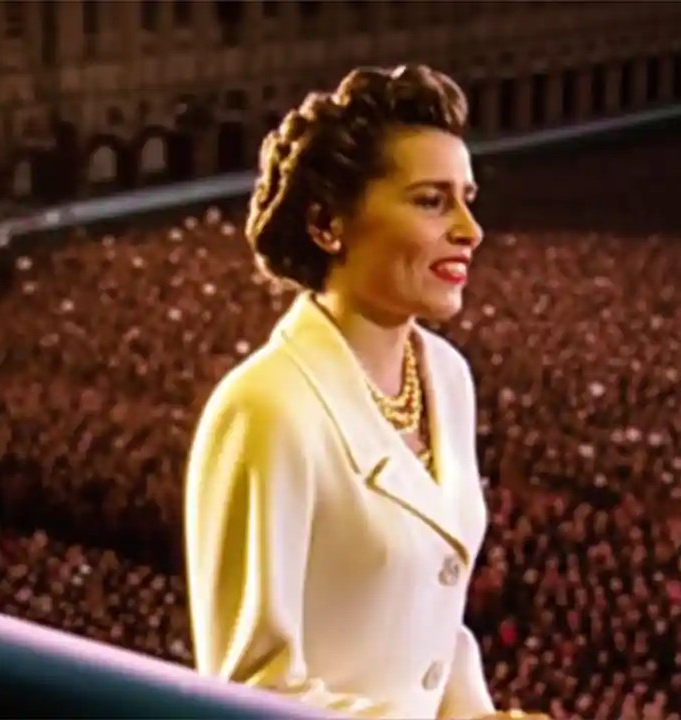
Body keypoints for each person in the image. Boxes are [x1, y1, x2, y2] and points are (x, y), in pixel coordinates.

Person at [184, 65, 544, 720]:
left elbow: (433, 624)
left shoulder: (448, 376)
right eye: (431, 201)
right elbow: (251, 692)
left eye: (468, 198)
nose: (470, 229)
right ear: (327, 224)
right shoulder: (265, 408)